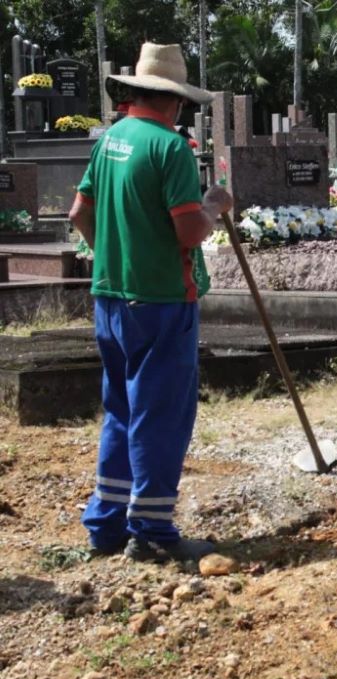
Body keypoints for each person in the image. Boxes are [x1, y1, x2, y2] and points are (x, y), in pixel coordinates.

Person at [69, 43, 233, 563]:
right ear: (175, 102)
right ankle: (154, 528)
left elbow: (79, 213)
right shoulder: (171, 148)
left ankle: (106, 522)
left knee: (120, 408)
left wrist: (114, 257)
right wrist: (213, 207)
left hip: (110, 298)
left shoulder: (110, 140)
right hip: (163, 299)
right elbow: (187, 231)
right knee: (160, 415)